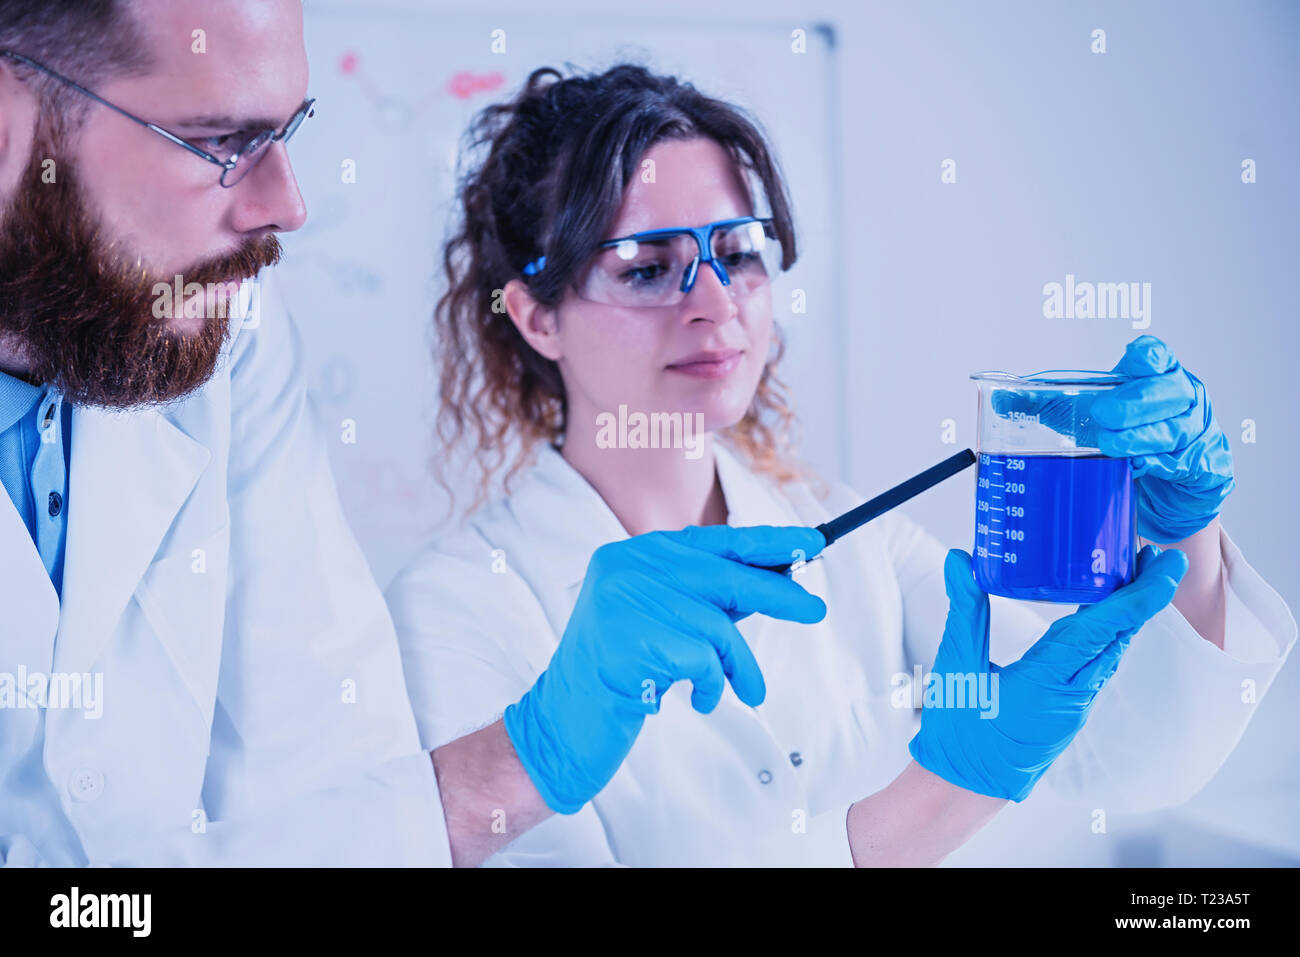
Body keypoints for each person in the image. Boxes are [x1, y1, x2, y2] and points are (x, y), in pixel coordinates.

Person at [386, 64, 1297, 866]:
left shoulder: (850, 536)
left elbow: (1129, 760)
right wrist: (945, 792)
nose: (715, 304)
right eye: (645, 266)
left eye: (737, 253)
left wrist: (1185, 535)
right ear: (536, 316)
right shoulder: (460, 605)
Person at [0, 1, 829, 867]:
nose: (287, 206)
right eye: (218, 142)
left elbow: (323, 780)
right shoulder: (465, 600)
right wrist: (526, 757)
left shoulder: (226, 330)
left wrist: (517, 763)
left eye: (289, 133)